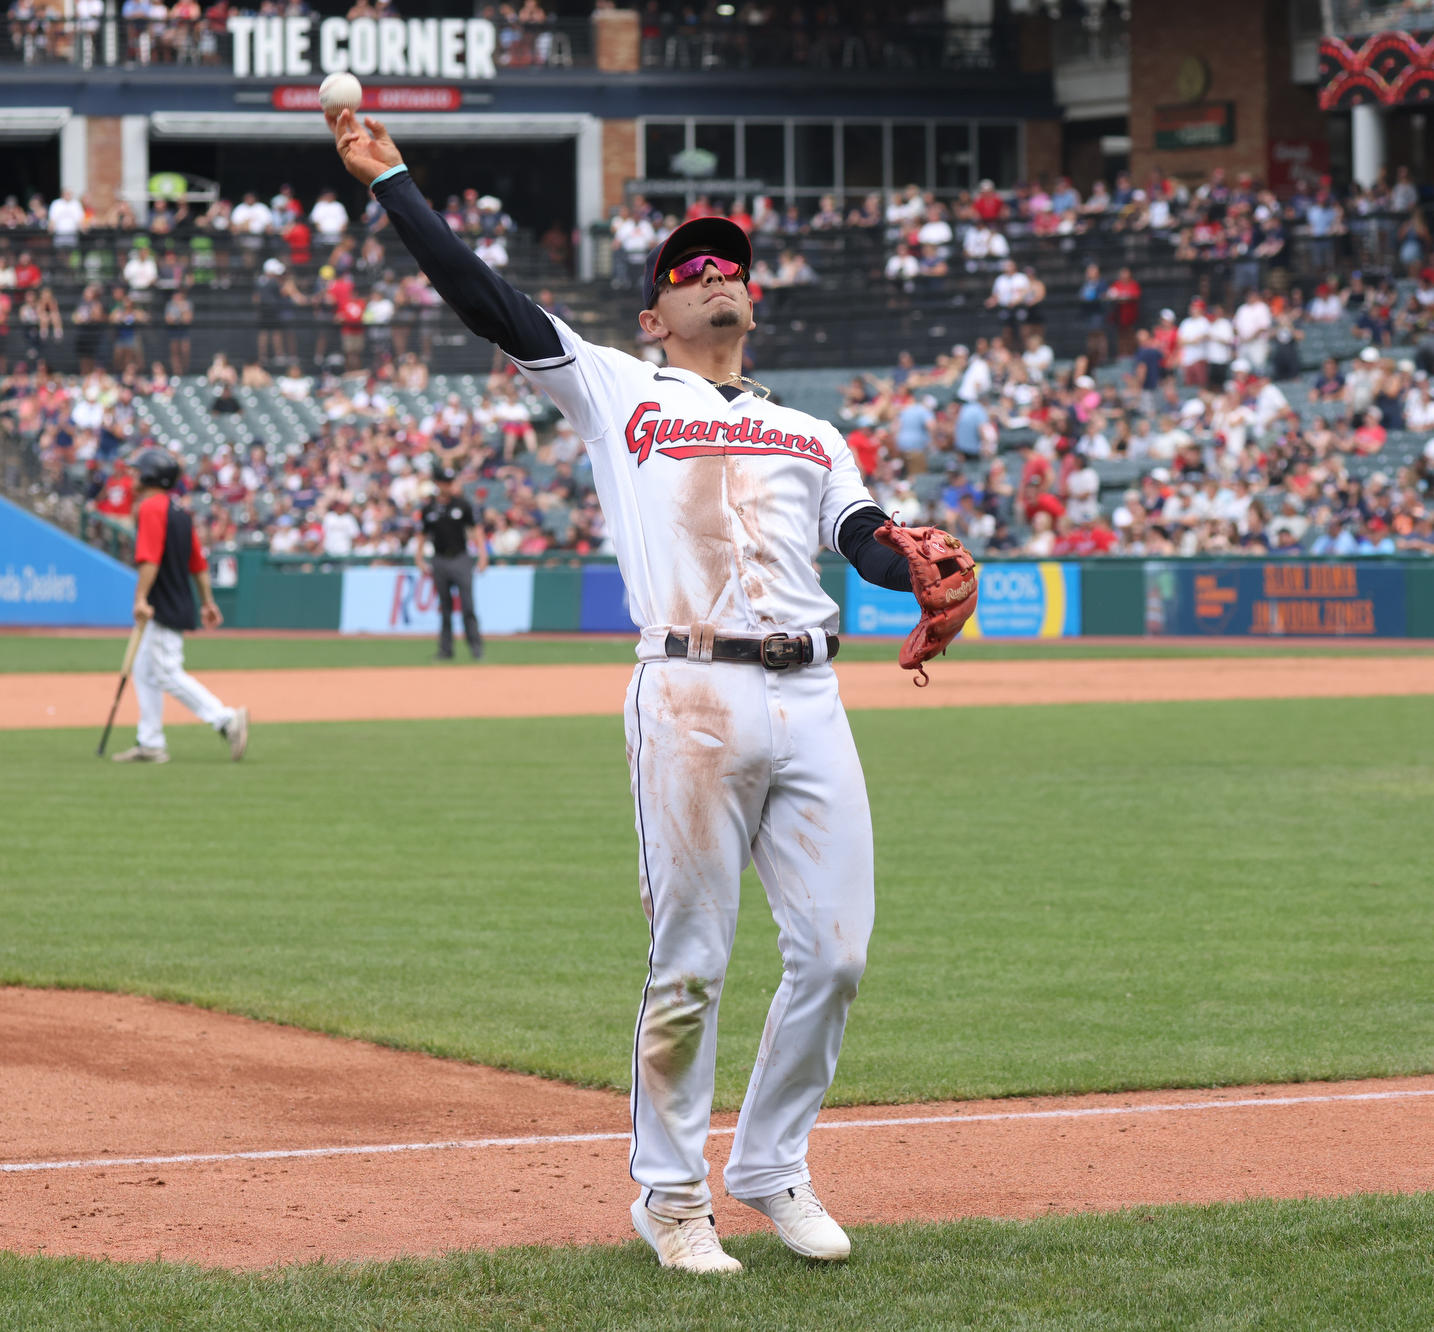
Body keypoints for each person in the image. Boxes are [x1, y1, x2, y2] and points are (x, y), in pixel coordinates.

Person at [334, 106, 934, 1274]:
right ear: (655, 314)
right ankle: (668, 1197)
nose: (717, 278)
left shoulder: (811, 434)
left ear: (751, 302)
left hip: (809, 699)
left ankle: (767, 1165)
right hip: (689, 696)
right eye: (689, 271)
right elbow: (485, 301)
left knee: (836, 954)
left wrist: (905, 561)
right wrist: (394, 183)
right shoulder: (616, 388)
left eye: (731, 268)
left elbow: (857, 539)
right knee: (691, 958)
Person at [112, 447, 250, 764]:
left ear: (150, 476)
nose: (132, 476)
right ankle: (150, 742)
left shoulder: (151, 508)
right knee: (144, 670)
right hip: (178, 599)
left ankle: (226, 719)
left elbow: (149, 558)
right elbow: (197, 562)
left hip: (163, 603)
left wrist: (140, 599)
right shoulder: (179, 511)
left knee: (166, 672)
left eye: (137, 471)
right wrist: (207, 602)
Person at [415, 467, 488, 660]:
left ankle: (476, 647)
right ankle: (445, 650)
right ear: (437, 484)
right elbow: (422, 534)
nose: (447, 486)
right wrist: (419, 558)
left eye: (450, 482)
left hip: (460, 558)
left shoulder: (462, 505)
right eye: (443, 482)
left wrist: (483, 555)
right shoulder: (429, 509)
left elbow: (476, 530)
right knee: (444, 607)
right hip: (439, 559)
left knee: (468, 606)